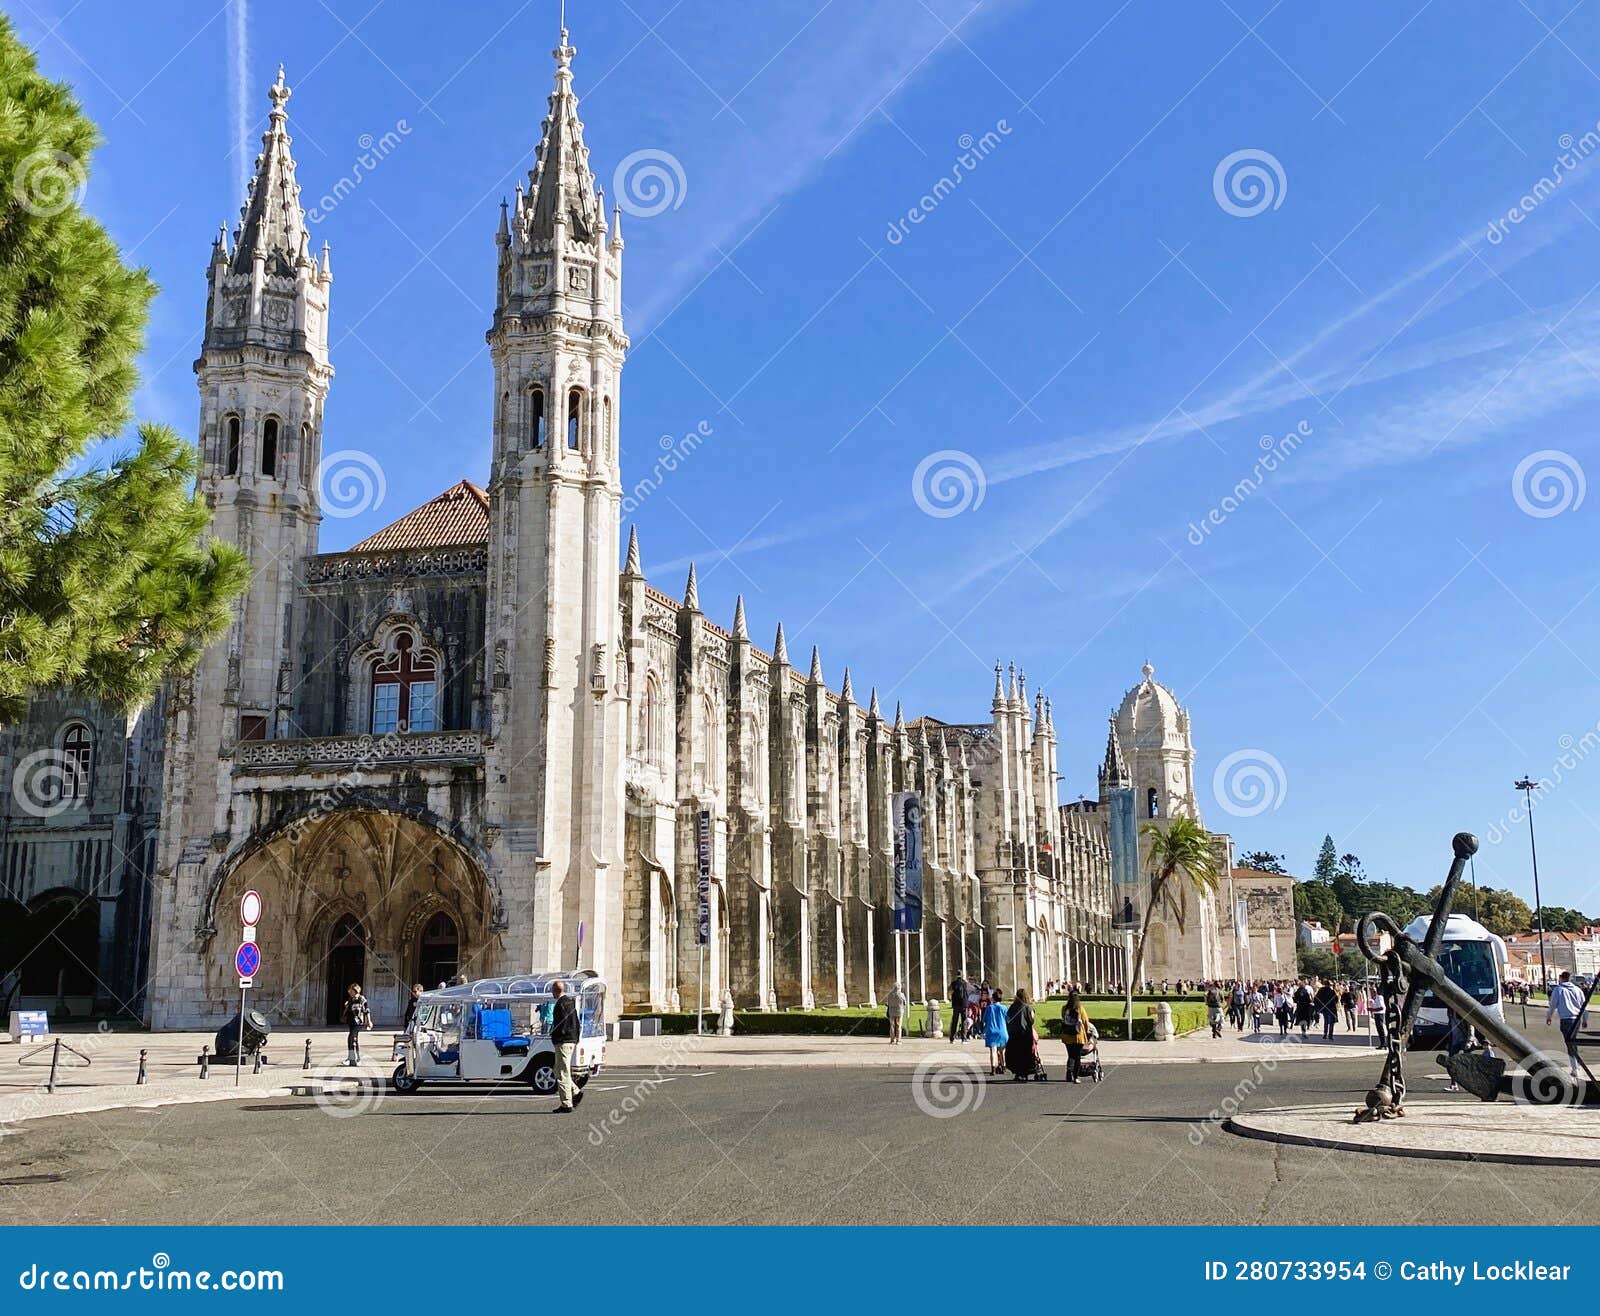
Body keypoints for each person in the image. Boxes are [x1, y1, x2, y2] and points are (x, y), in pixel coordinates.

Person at [549, 978, 585, 1113]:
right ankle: (575, 1092)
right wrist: (576, 1038)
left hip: (563, 1041)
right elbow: (576, 1022)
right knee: (559, 1069)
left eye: (552, 990)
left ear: (555, 990)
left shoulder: (561, 1004)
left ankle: (566, 1103)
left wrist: (555, 1036)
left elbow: (561, 1024)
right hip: (571, 1040)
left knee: (562, 1072)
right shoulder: (570, 1002)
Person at [1547, 971, 1589, 1080]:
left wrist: (1549, 1016)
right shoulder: (1577, 990)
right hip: (1576, 1019)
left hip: (1566, 1019)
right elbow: (1583, 1005)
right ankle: (1576, 1066)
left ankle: (1575, 1068)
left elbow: (1552, 1005)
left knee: (1570, 1044)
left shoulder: (1558, 989)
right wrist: (1585, 1019)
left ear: (1561, 978)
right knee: (1573, 1042)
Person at [1004, 988, 1036, 1080]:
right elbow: (1031, 1020)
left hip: (1014, 1034)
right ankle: (1024, 1072)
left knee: (1015, 1053)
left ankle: (1017, 1072)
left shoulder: (1012, 1007)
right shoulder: (1028, 1007)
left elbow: (1008, 1019)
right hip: (1025, 1034)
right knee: (1025, 1053)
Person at [1060, 989, 1091, 1082]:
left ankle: (1069, 1071)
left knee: (1070, 1055)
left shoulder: (1064, 1008)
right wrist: (1088, 1032)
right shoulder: (1080, 1009)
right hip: (1078, 1036)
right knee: (1077, 1057)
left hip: (1067, 1035)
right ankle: (1076, 1076)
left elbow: (1063, 1018)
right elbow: (1085, 1021)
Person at [341, 982, 371, 1066]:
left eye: (351, 991)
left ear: (355, 990)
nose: (349, 993)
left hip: (358, 1022)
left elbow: (367, 1010)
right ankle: (355, 1058)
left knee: (351, 1038)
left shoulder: (362, 999)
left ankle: (352, 1058)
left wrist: (369, 1021)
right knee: (354, 1040)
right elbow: (349, 1011)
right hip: (351, 1021)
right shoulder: (351, 999)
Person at [983, 989, 1009, 1075]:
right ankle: (1003, 1066)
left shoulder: (989, 1008)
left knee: (993, 1050)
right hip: (1002, 1031)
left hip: (991, 1030)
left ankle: (993, 1068)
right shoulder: (1004, 1008)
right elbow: (1008, 1019)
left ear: (993, 998)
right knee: (1002, 1051)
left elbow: (984, 1019)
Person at [948, 974, 970, 1042]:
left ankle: (952, 1038)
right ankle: (964, 1038)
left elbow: (949, 991)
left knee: (955, 1021)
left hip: (956, 1004)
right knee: (964, 1021)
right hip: (964, 1004)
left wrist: (950, 998)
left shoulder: (953, 983)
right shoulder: (965, 983)